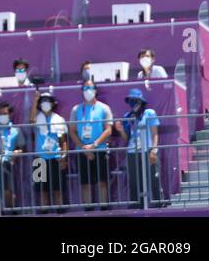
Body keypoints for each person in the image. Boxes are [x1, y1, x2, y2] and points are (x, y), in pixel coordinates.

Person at [69, 81, 113, 210]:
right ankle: (88, 211)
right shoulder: (76, 109)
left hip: (100, 150)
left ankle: (104, 210)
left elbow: (108, 130)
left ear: (95, 90)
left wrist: (93, 146)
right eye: (85, 88)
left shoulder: (104, 108)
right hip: (82, 152)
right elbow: (72, 131)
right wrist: (84, 148)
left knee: (102, 183)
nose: (88, 90)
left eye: (90, 88)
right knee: (85, 184)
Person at [117, 88, 161, 208]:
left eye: (135, 100)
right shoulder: (127, 116)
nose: (133, 103)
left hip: (147, 150)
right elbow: (127, 138)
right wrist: (120, 130)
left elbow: (155, 133)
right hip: (132, 151)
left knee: (153, 178)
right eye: (130, 100)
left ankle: (158, 204)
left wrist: (154, 149)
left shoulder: (149, 113)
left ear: (141, 101)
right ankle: (137, 206)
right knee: (134, 181)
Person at [30, 90, 68, 212]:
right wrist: (35, 99)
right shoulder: (37, 117)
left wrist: (64, 157)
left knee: (58, 190)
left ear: (52, 103)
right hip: (39, 159)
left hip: (56, 158)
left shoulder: (59, 119)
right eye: (43, 101)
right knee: (42, 191)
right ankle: (44, 213)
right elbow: (31, 120)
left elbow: (63, 141)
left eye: (48, 101)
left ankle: (60, 212)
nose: (45, 104)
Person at [0, 101, 25, 212]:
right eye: (0, 114)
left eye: (5, 113)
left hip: (7, 163)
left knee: (8, 190)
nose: (2, 116)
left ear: (10, 114)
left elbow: (21, 148)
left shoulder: (16, 130)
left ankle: (13, 211)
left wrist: (17, 153)